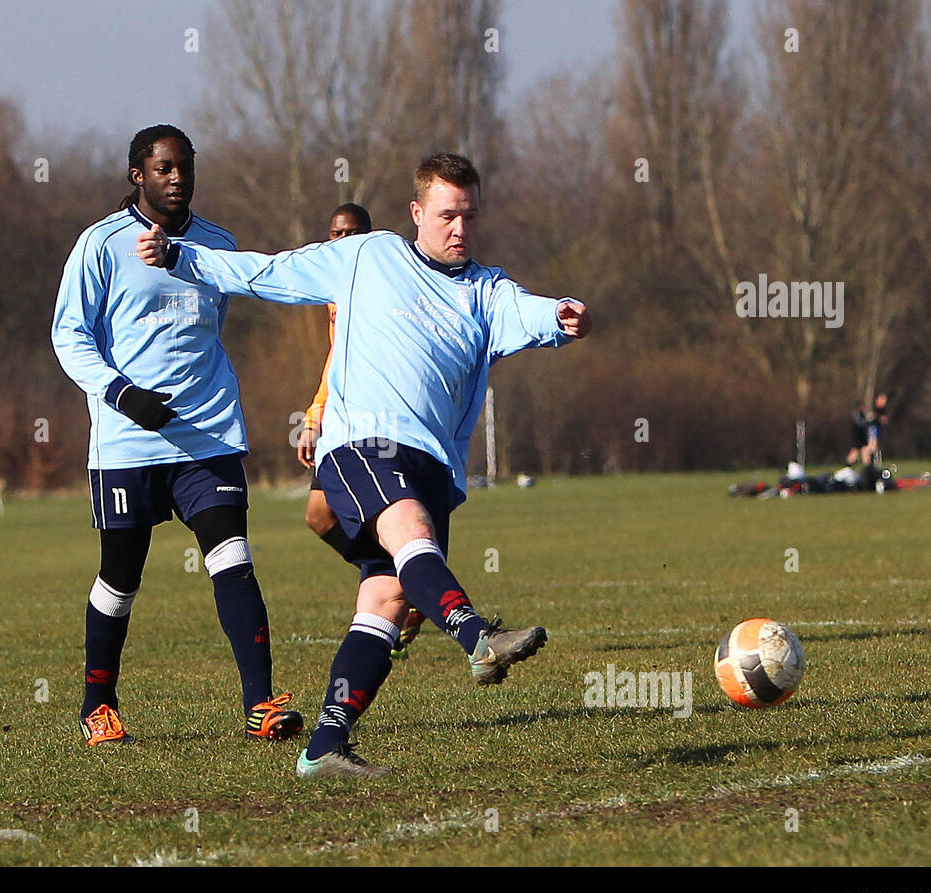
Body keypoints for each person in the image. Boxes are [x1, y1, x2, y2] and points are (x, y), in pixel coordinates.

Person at [138, 152, 591, 777]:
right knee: (411, 531)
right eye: (446, 215)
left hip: (433, 460)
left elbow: (528, 311)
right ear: (416, 213)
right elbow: (266, 273)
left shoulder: (486, 289)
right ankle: (475, 636)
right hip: (364, 443)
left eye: (469, 216)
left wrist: (562, 314)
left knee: (385, 597)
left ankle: (325, 746)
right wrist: (184, 256)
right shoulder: (368, 256)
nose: (459, 229)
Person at [51, 124, 303, 747]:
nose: (177, 178)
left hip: (207, 436)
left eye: (184, 166)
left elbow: (215, 319)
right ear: (137, 174)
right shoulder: (100, 245)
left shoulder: (218, 245)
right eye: (163, 167)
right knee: (120, 578)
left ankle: (260, 705)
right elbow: (69, 335)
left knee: (233, 558)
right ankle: (97, 704)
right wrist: (122, 393)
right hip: (127, 442)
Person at [296, 204, 427, 661]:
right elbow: (337, 361)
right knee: (319, 515)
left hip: (378, 421)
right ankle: (403, 578)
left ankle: (410, 585)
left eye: (351, 234)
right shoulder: (335, 288)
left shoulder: (384, 283)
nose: (341, 242)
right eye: (335, 234)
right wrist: (315, 417)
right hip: (339, 415)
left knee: (339, 514)